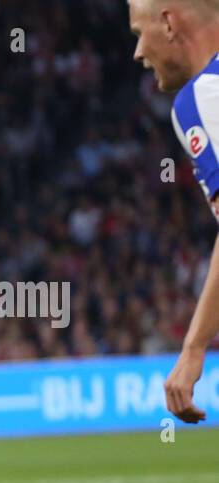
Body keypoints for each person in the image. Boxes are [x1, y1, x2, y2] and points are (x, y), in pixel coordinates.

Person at [129, 0, 219, 422]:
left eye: (138, 33)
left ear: (168, 22)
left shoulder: (202, 98)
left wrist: (193, 349)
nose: (138, 52)